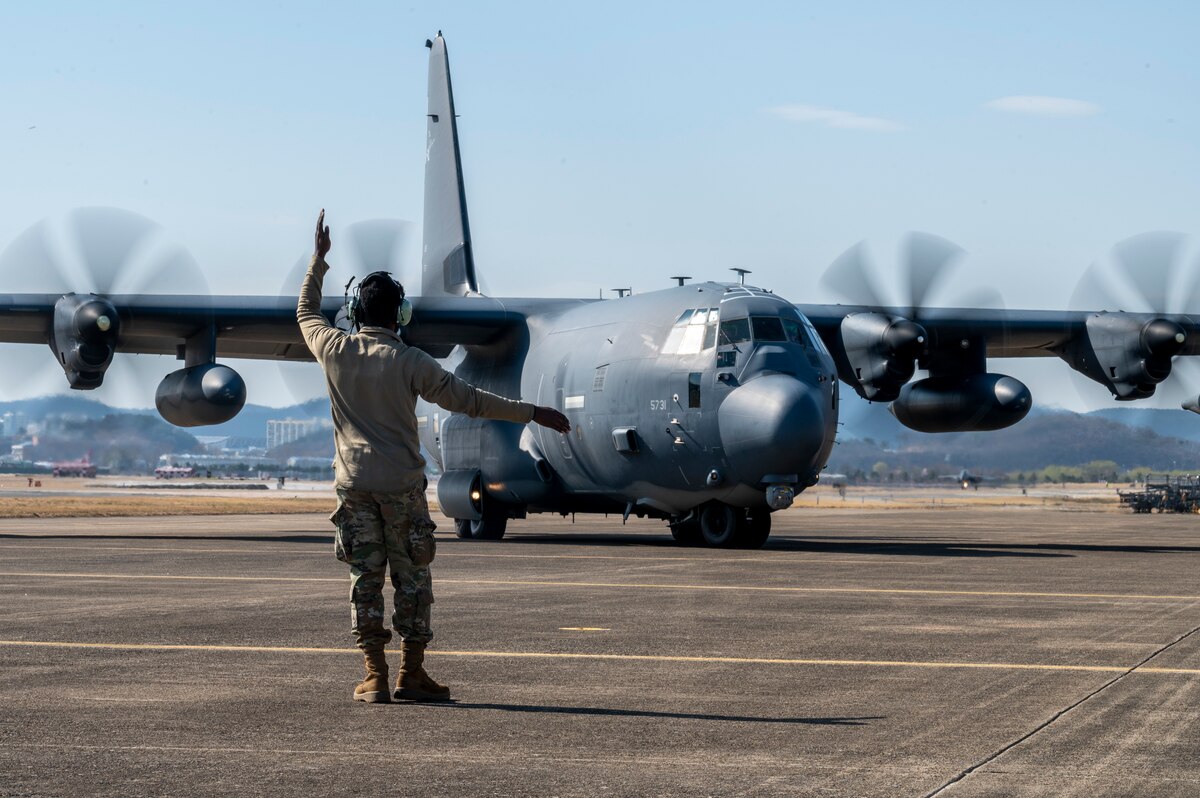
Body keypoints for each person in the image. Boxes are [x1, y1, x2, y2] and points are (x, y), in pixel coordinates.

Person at [297, 209, 570, 704]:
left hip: (354, 487)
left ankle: (374, 675)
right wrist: (532, 412)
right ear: (399, 315)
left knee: (364, 580)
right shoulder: (412, 362)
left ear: (357, 312)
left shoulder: (333, 349)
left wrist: (319, 261)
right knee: (413, 579)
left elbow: (306, 313)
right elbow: (470, 400)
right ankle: (412, 673)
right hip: (401, 488)